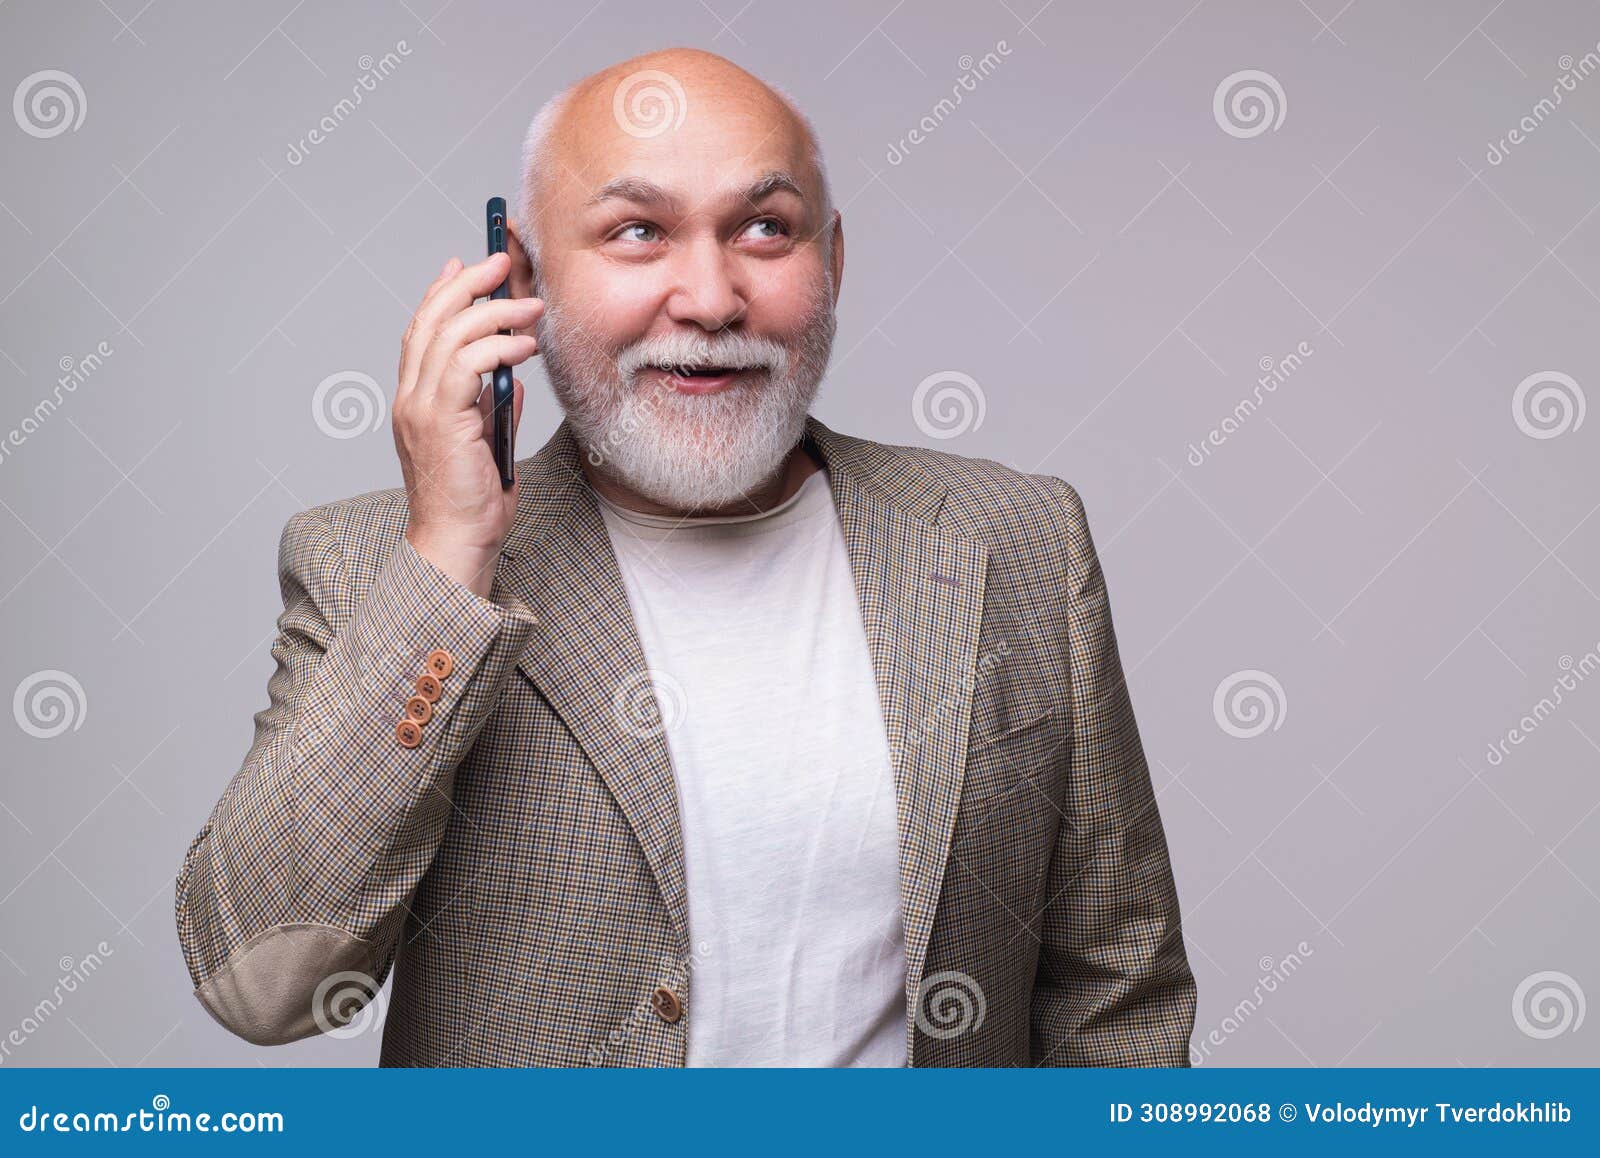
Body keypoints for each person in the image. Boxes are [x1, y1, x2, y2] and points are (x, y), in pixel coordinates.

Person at [174, 47, 1196, 1067]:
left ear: (830, 263)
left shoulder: (1015, 540)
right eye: (637, 233)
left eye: (764, 229)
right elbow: (262, 983)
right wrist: (449, 554)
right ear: (523, 281)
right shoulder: (384, 573)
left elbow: (1115, 999)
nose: (709, 298)